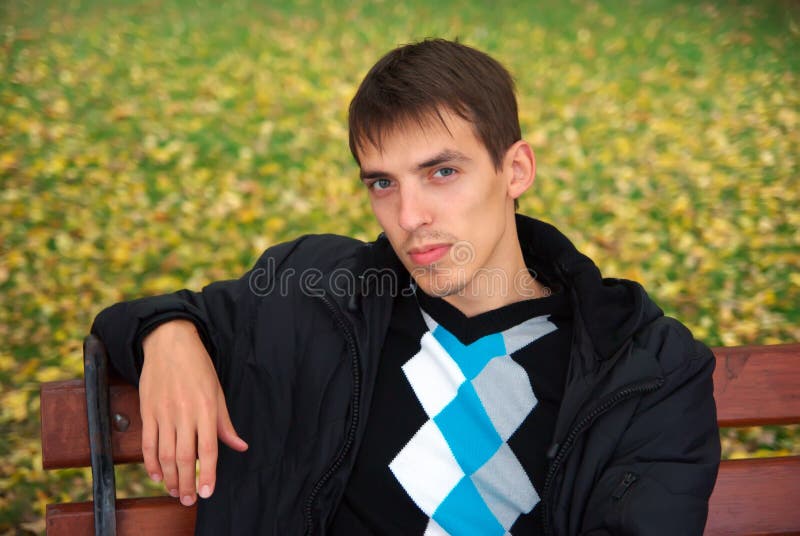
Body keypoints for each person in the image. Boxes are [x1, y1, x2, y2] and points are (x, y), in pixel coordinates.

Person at [91, 39, 720, 535]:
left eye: (442, 172)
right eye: (382, 183)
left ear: (516, 169)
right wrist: (168, 337)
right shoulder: (315, 295)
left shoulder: (642, 367)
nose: (409, 216)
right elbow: (136, 320)